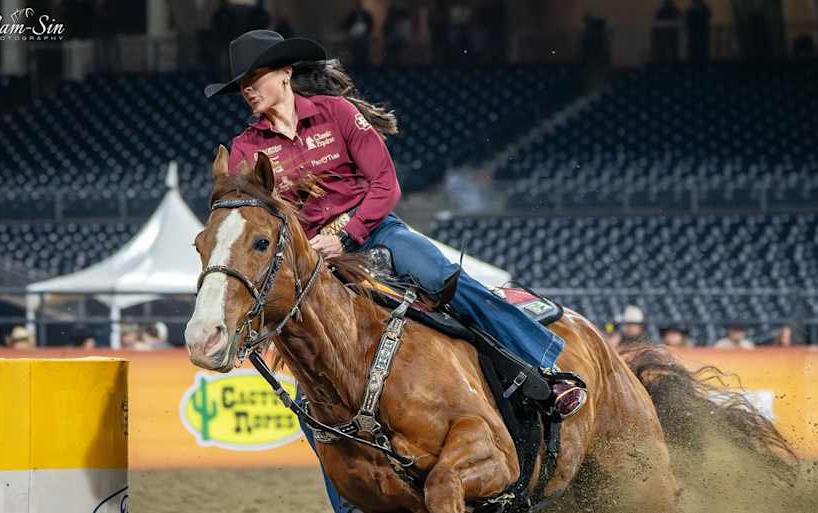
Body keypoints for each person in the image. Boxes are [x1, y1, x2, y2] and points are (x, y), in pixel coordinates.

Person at [204, 30, 586, 513]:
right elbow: (251, 221)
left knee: (444, 278)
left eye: (254, 77)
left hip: (375, 233)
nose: (246, 89)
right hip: (310, 263)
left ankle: (544, 371)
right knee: (310, 394)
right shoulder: (246, 148)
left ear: (284, 73)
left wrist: (346, 234)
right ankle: (350, 503)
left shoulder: (338, 114)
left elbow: (385, 184)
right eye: (240, 84)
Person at [344, 1, 374, 69]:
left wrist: (367, 32)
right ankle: (356, 66)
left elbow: (370, 23)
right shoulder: (352, 14)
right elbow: (346, 24)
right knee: (355, 53)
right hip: (354, 37)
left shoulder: (366, 14)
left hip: (364, 37)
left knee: (364, 53)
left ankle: (364, 66)